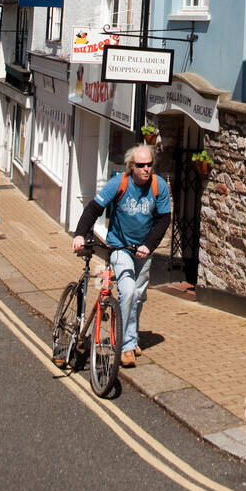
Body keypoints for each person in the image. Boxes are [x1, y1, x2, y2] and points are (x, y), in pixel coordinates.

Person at [73, 144, 171, 368]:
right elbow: (94, 208)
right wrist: (79, 235)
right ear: (131, 166)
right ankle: (126, 346)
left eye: (149, 165)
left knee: (138, 296)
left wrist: (148, 245)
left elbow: (163, 219)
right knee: (126, 291)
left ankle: (132, 337)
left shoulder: (159, 186)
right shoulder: (119, 183)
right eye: (141, 165)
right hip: (120, 247)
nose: (146, 169)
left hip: (144, 250)